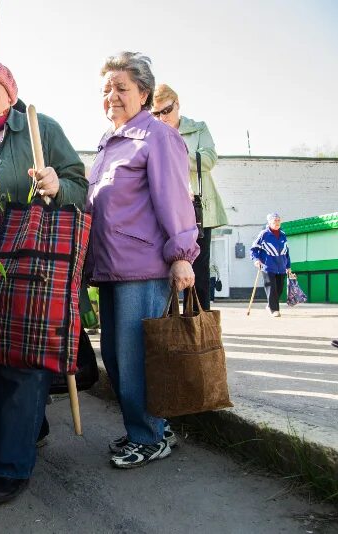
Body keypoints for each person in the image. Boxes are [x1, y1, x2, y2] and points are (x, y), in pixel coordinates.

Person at [0, 58, 88, 503]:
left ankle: (12, 467)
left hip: (23, 263)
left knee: (18, 368)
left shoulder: (38, 126)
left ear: (10, 92)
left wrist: (55, 185)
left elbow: (80, 185)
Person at [87, 52, 198, 469]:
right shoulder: (110, 141)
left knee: (136, 360)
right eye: (106, 90)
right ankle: (150, 427)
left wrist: (182, 255)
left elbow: (174, 200)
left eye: (121, 88)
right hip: (112, 267)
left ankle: (150, 437)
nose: (112, 96)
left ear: (144, 93)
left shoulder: (157, 136)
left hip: (144, 267)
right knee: (118, 360)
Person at [151, 83, 228, 311]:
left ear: (177, 105)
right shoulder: (152, 132)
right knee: (164, 268)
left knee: (200, 271)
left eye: (166, 110)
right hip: (167, 210)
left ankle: (199, 326)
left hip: (198, 210)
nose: (162, 116)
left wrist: (176, 155)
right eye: (156, 113)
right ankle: (169, 325)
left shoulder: (198, 128)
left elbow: (210, 158)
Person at [250, 213, 292, 317]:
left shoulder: (283, 234)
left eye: (278, 220)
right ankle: (274, 310)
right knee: (271, 287)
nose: (277, 222)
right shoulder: (264, 234)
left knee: (279, 289)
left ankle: (270, 305)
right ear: (269, 222)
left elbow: (286, 252)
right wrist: (256, 260)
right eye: (274, 221)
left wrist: (288, 266)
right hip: (268, 266)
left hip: (281, 267)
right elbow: (254, 249)